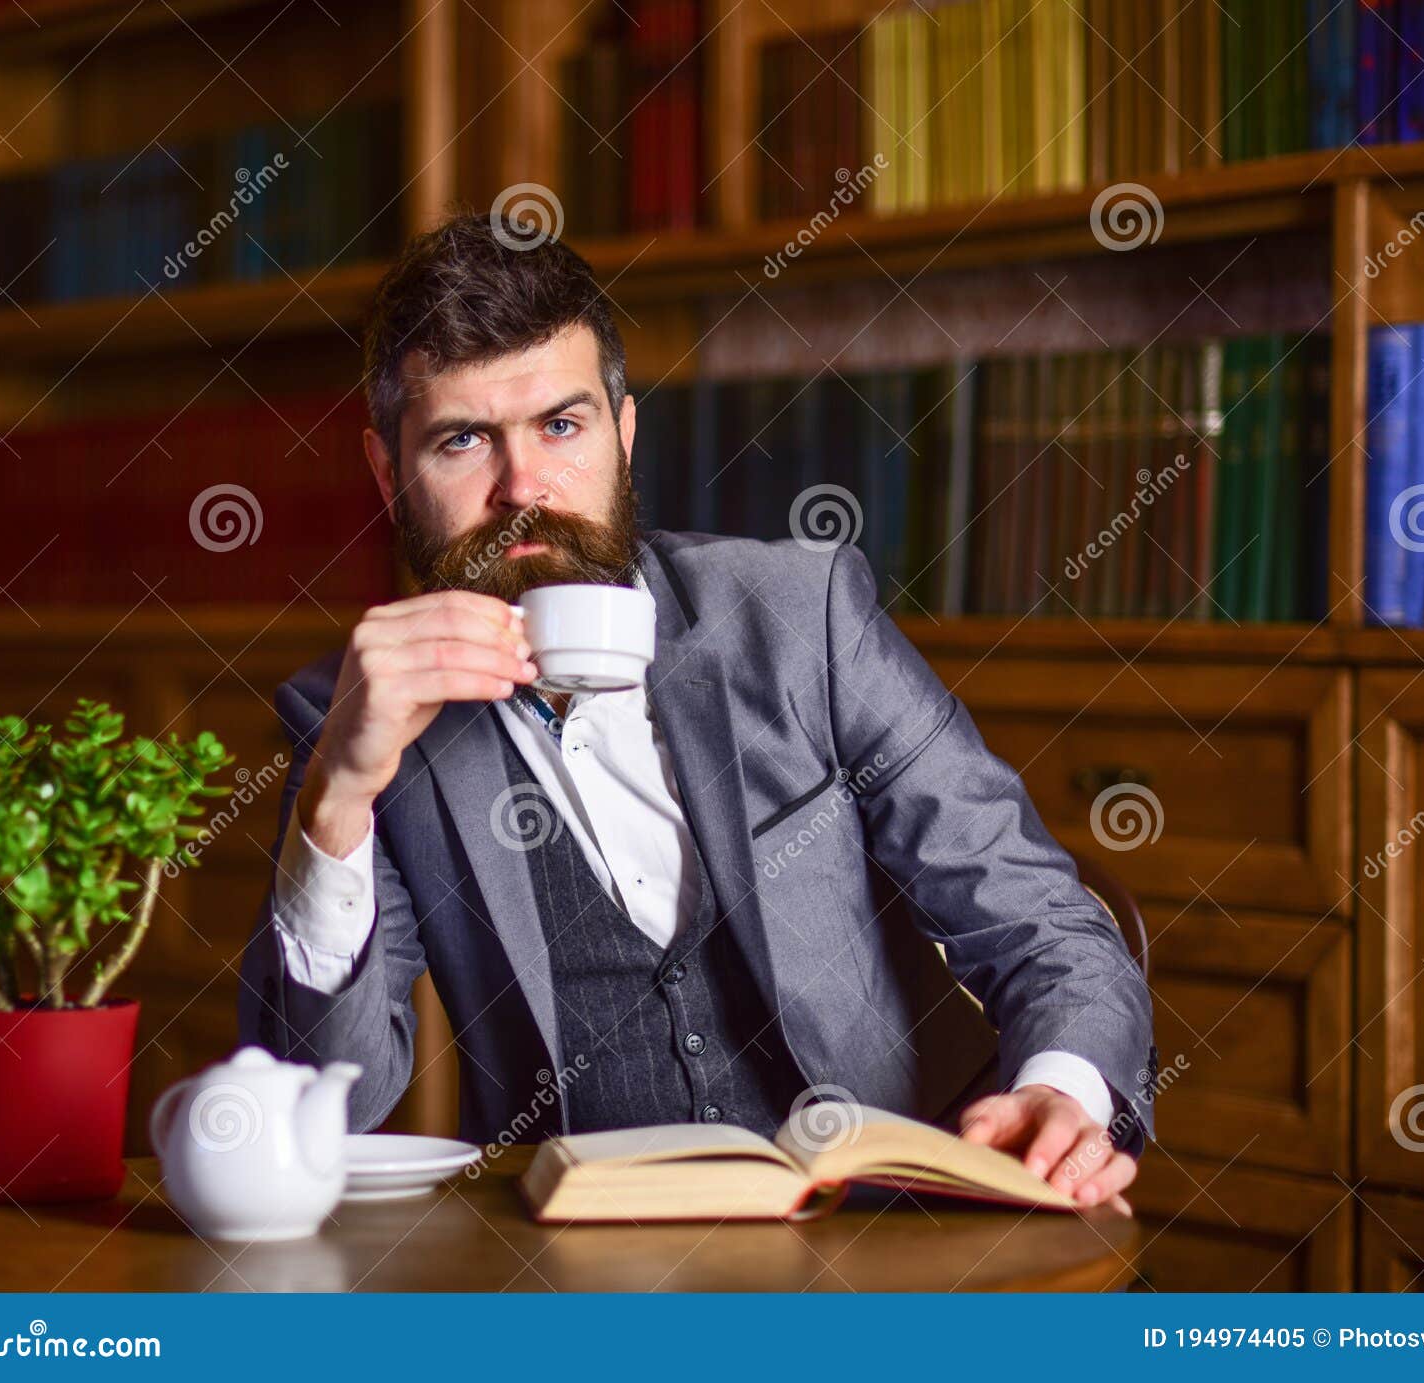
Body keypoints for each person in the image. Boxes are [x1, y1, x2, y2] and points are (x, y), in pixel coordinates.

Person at [236, 211, 1156, 1211]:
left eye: (560, 425)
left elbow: (1044, 926)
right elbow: (324, 1109)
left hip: (874, 1243)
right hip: (576, 1275)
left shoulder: (800, 621)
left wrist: (1061, 1093)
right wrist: (340, 795)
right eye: (463, 441)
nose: (523, 492)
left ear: (623, 435)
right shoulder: (351, 714)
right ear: (388, 473)